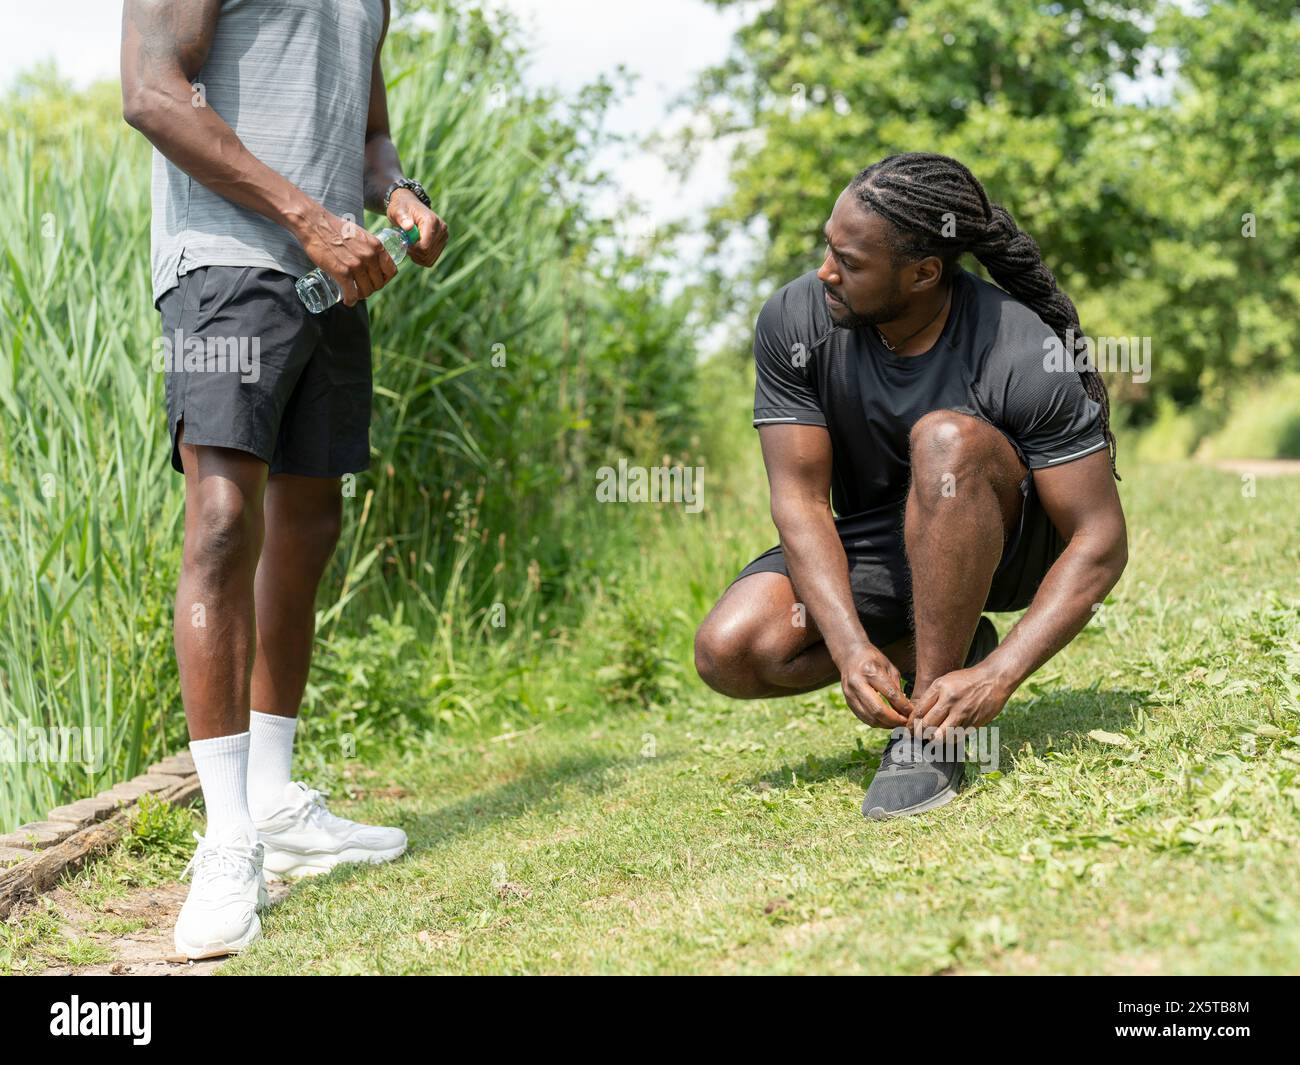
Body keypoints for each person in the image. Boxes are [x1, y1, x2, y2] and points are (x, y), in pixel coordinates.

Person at [121, 0, 449, 959]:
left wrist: (396, 193)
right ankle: (226, 840)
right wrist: (308, 217)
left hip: (332, 270)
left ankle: (274, 802)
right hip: (227, 267)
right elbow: (150, 93)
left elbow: (370, 133)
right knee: (223, 520)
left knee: (308, 522)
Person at [694, 152, 1128, 820]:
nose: (825, 272)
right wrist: (848, 646)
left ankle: (930, 730)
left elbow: (1099, 540)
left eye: (851, 262)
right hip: (886, 547)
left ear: (924, 273)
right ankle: (947, 646)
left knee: (945, 442)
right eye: (828, 248)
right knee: (733, 648)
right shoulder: (794, 322)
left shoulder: (1020, 346)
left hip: (1008, 548)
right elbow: (801, 499)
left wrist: (1000, 675)